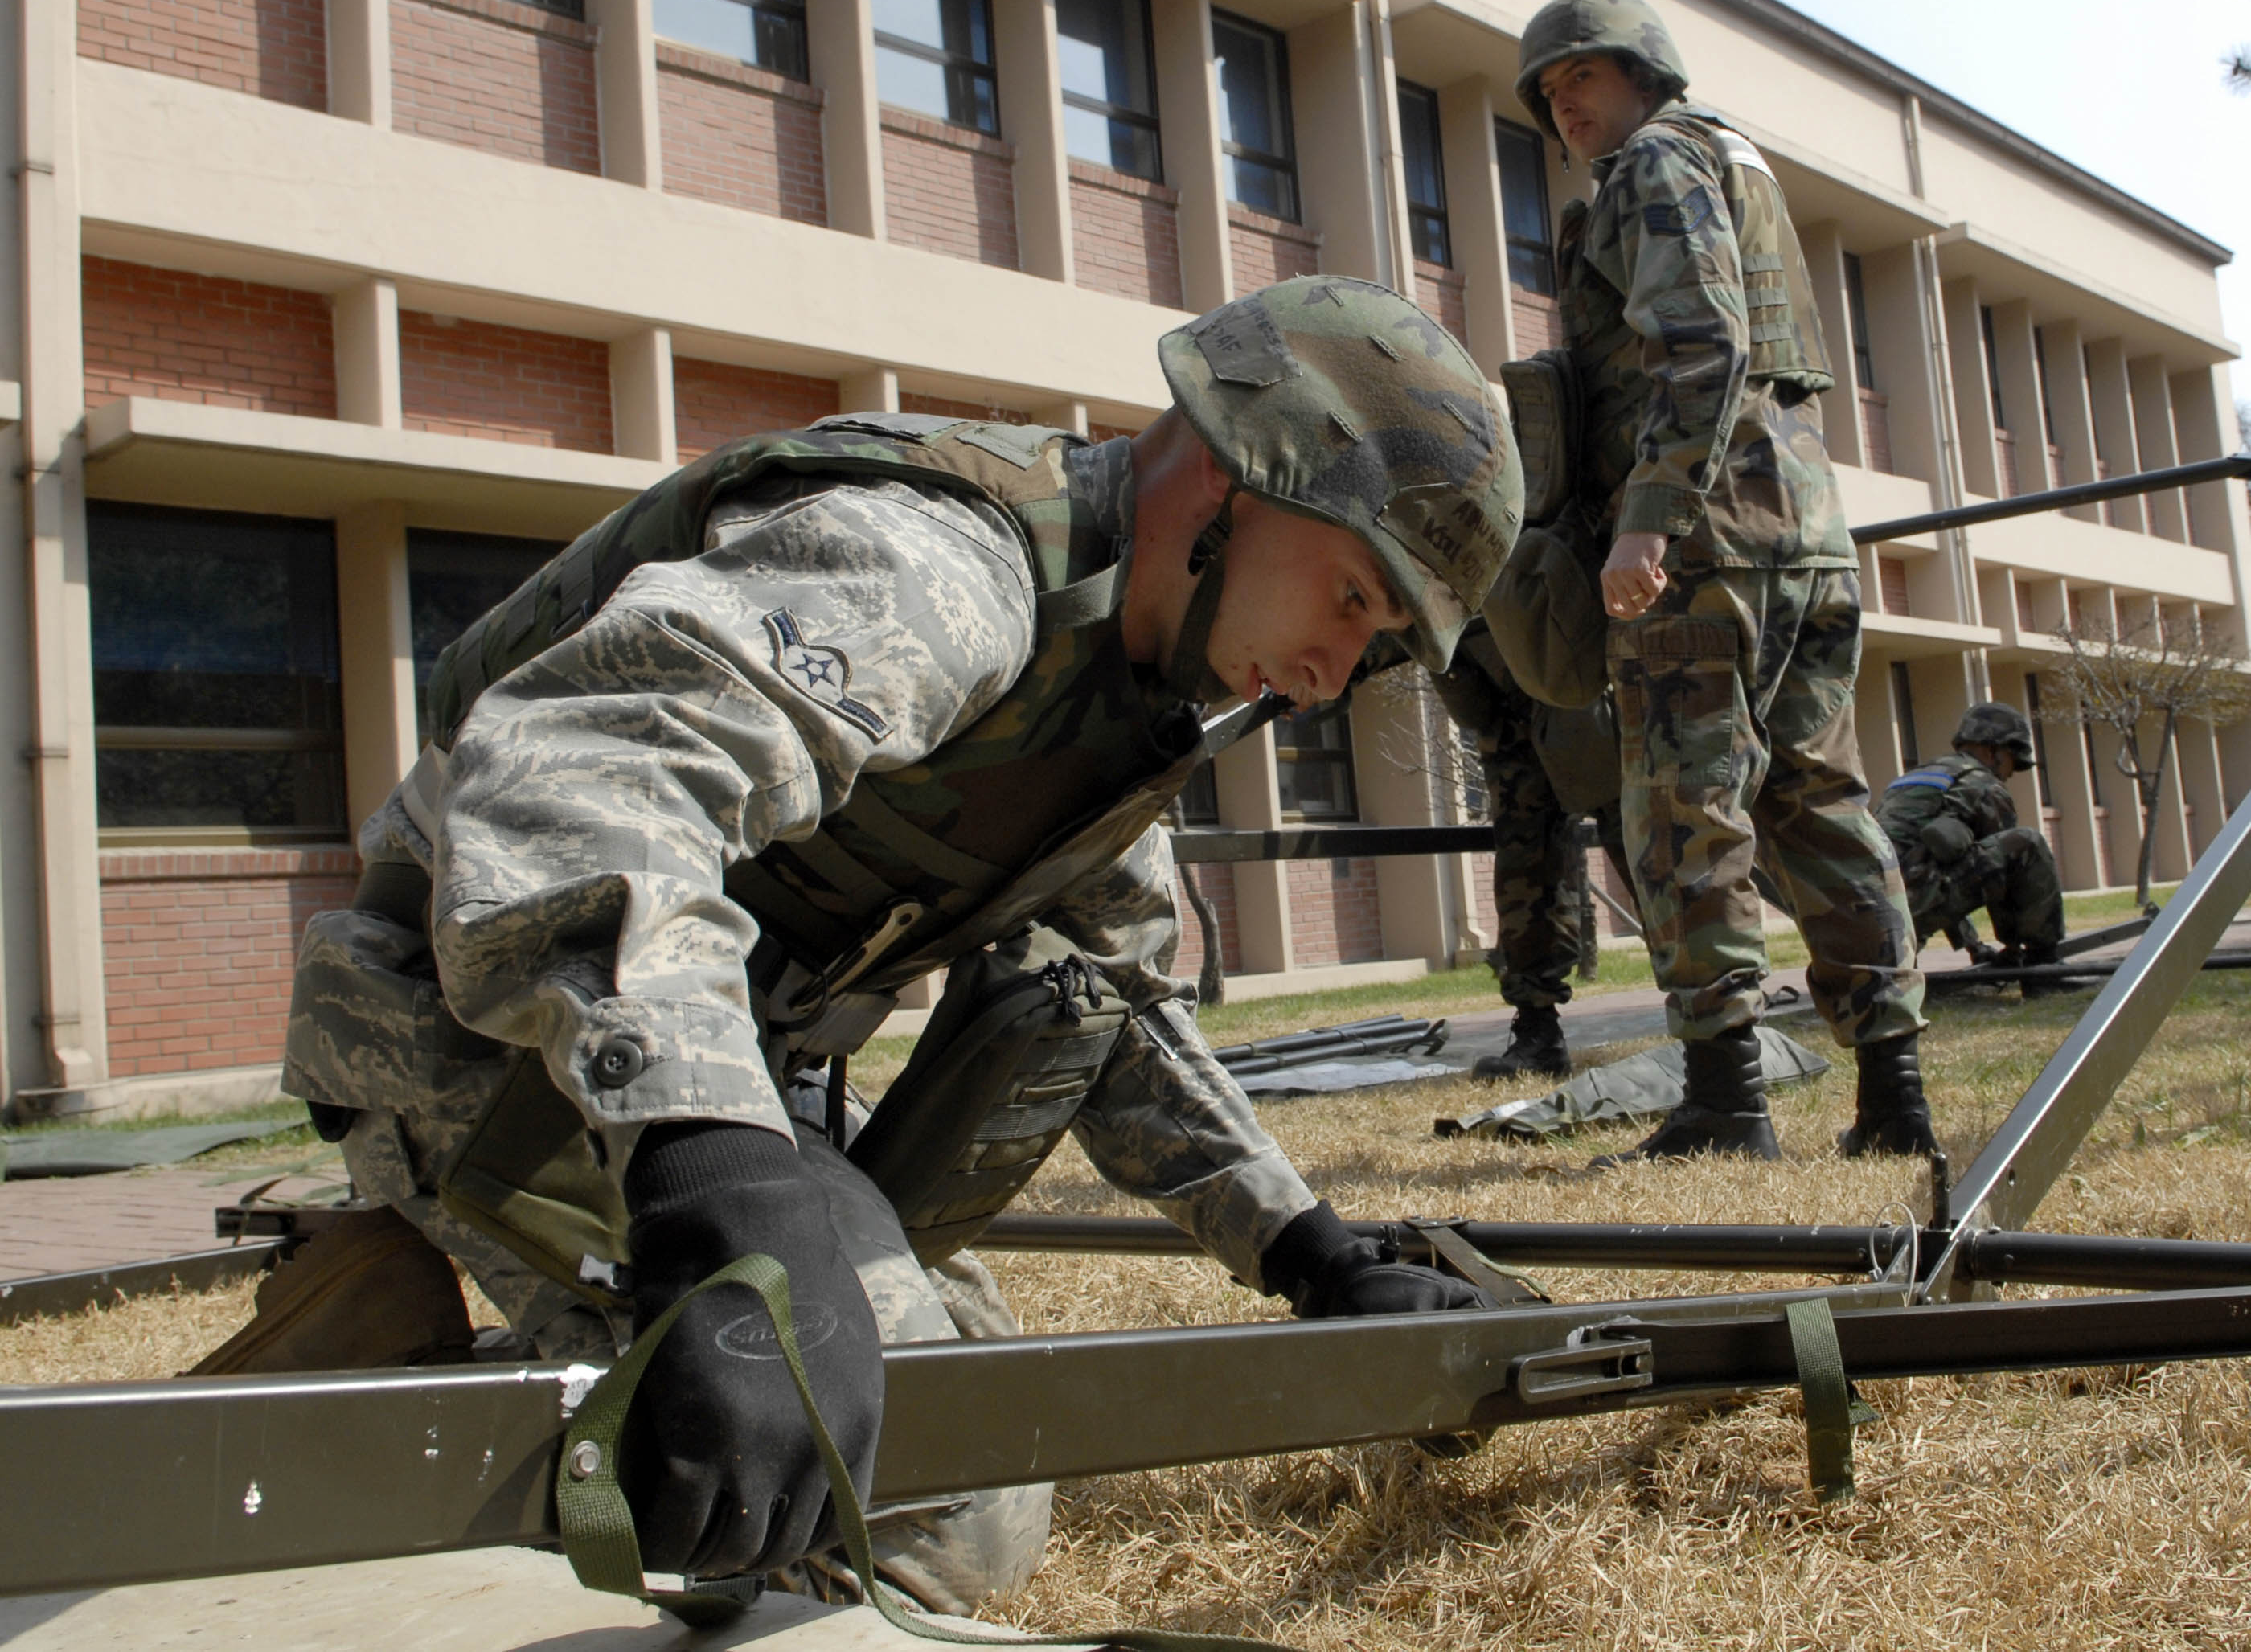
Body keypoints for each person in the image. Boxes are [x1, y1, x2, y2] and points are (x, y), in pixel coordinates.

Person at [265, 277, 1515, 1616]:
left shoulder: (1124, 701)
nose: (1333, 672)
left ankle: (383, 1333)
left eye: (1373, 640)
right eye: (1347, 597)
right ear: (1232, 477)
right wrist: (722, 1193)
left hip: (694, 1077)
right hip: (473, 1048)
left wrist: (1314, 1258)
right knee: (932, 1516)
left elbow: (1118, 1008)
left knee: (961, 1389)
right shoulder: (940, 571)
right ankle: (339, 1421)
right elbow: (586, 766)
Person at [1512, 0, 1927, 1164]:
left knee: (1685, 815)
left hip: (1704, 546)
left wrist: (1644, 522)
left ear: (1640, 69)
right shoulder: (1741, 165)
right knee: (1818, 804)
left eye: (1578, 75)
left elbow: (1701, 342)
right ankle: (1892, 1098)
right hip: (1801, 533)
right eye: (1547, 91)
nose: (1562, 103)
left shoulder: (1651, 166)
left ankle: (1727, 1103)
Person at [1424, 625, 1627, 1080]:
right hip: (1509, 717)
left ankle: (1714, 1026)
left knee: (1646, 853)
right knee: (1525, 870)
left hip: (1580, 686)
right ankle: (1538, 1036)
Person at [1870, 702, 2073, 1014]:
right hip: (1911, 905)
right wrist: (2015, 949)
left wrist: (1974, 947)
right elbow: (2008, 877)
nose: (2010, 774)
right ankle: (2043, 966)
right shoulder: (1984, 786)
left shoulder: (1914, 779)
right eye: (2013, 763)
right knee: (2026, 844)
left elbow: (1937, 866)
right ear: (1995, 751)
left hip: (1874, 916)